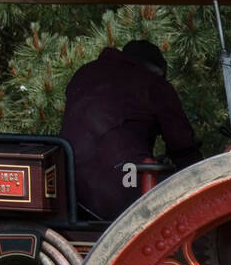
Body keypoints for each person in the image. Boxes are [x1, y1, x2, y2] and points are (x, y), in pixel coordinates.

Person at [60, 39, 199, 220]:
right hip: (123, 183)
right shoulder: (153, 84)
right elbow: (182, 144)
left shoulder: (84, 73)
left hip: (69, 186)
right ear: (158, 70)